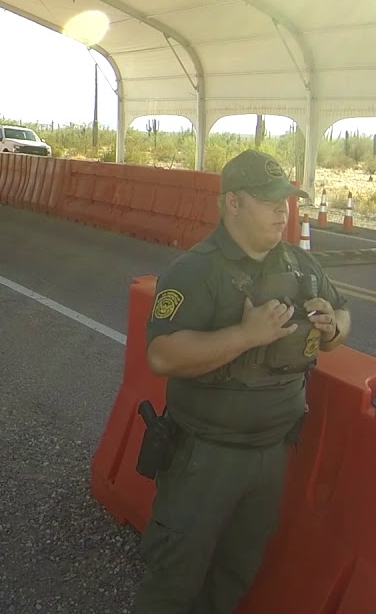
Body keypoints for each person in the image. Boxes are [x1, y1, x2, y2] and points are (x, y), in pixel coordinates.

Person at [133, 149, 352, 614]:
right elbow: (162, 354)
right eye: (269, 200)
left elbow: (343, 321)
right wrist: (244, 336)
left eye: (287, 200)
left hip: (272, 453)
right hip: (204, 458)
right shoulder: (195, 272)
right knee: (175, 578)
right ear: (232, 204)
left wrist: (334, 326)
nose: (283, 210)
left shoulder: (299, 265)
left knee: (237, 571)